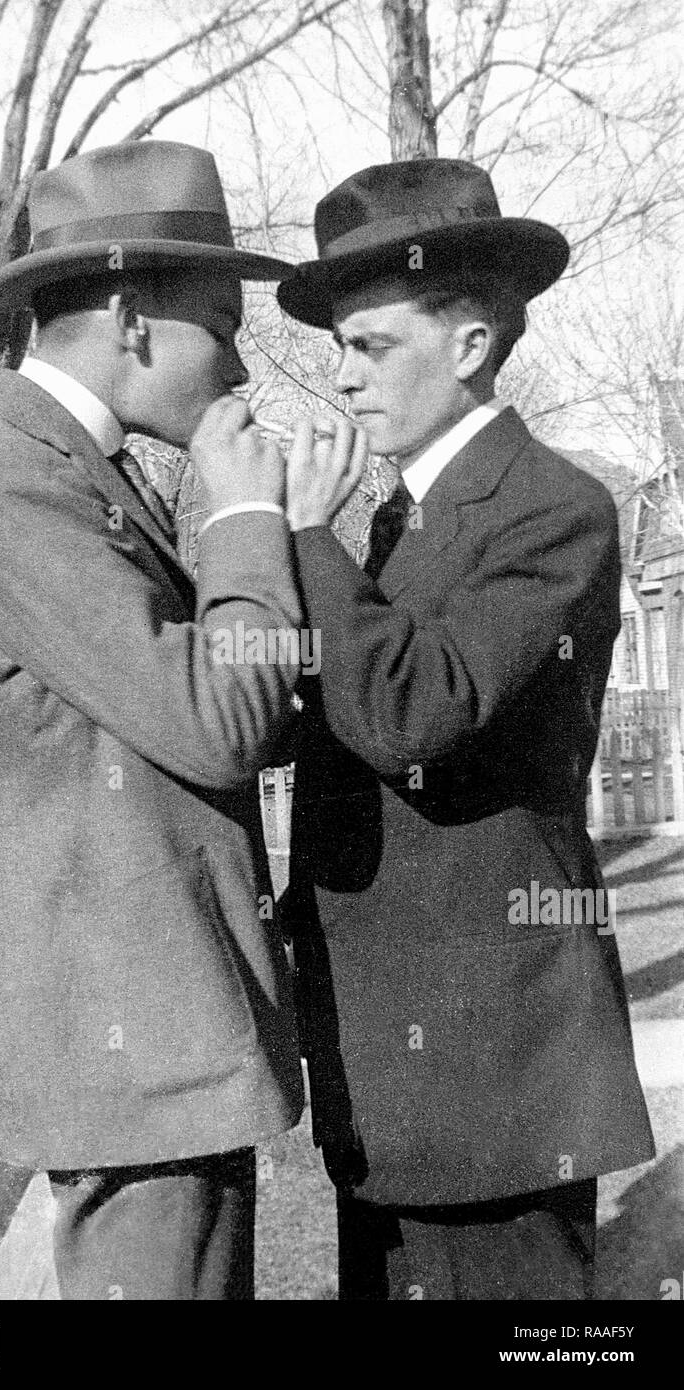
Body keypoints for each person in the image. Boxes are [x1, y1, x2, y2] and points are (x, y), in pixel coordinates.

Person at [0, 138, 320, 1300]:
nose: (239, 365)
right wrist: (247, 514)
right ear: (133, 316)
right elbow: (220, 719)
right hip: (126, 1027)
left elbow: (214, 690)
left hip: (140, 1021)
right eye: (223, 324)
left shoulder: (64, 465)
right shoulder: (20, 488)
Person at [277, 158, 655, 1300]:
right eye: (338, 347)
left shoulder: (551, 508)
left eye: (369, 345)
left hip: (495, 1066)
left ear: (472, 342)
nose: (342, 378)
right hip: (387, 1059)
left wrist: (302, 540)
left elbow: (408, 715)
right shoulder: (390, 520)